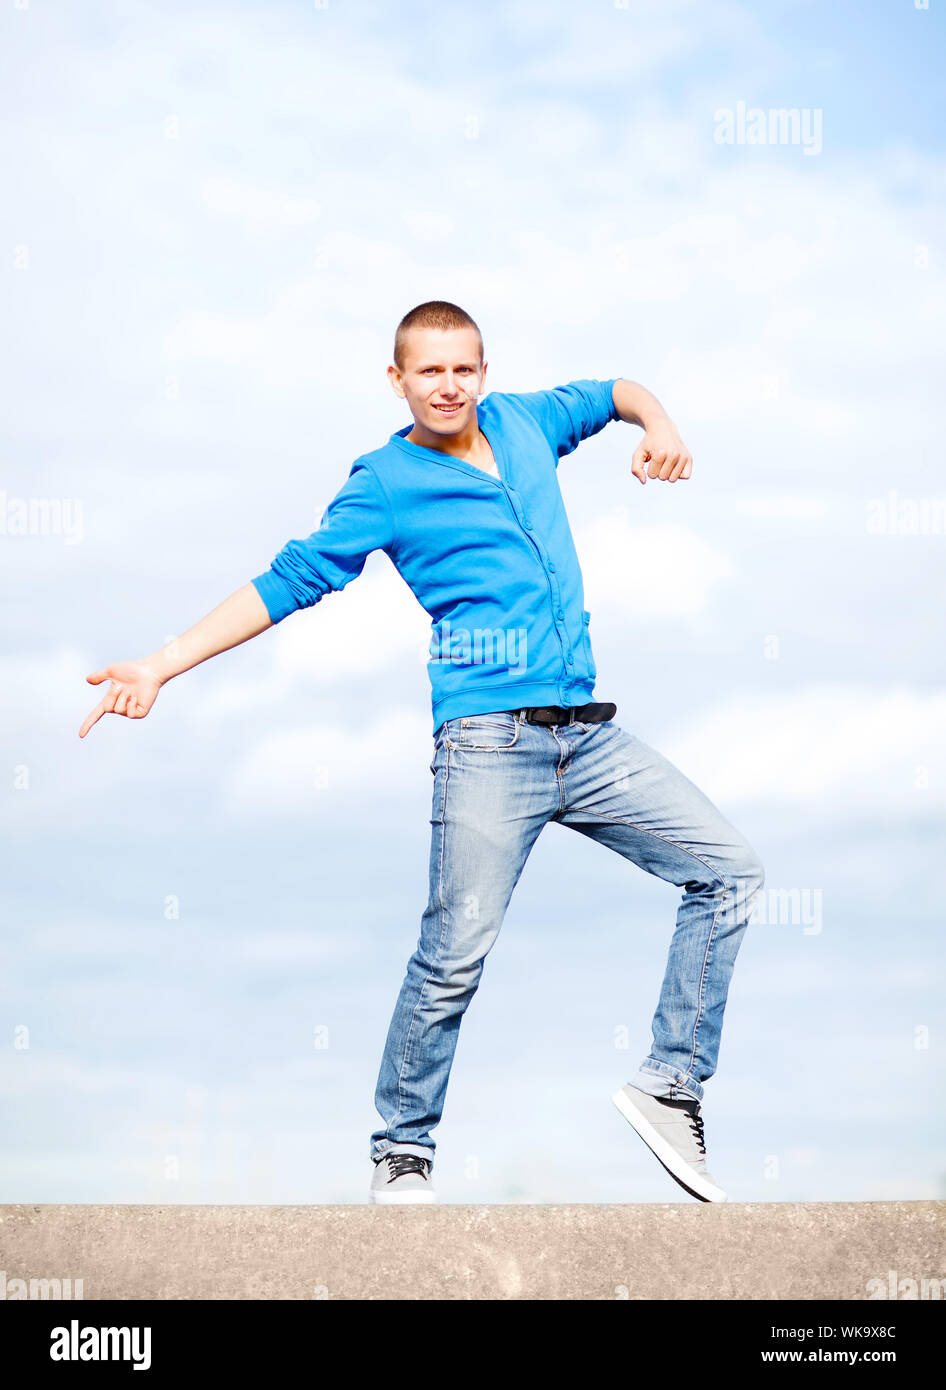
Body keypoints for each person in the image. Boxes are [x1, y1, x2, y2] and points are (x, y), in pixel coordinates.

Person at [80, 300, 765, 1206]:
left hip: (590, 737)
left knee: (732, 871)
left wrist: (663, 422)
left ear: (484, 372)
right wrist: (162, 664)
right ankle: (402, 1149)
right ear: (397, 379)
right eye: (429, 370)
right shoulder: (387, 480)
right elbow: (290, 579)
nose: (449, 385)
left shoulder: (527, 420)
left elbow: (615, 392)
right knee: (453, 956)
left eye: (464, 369)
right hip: (489, 745)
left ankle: (670, 1083)